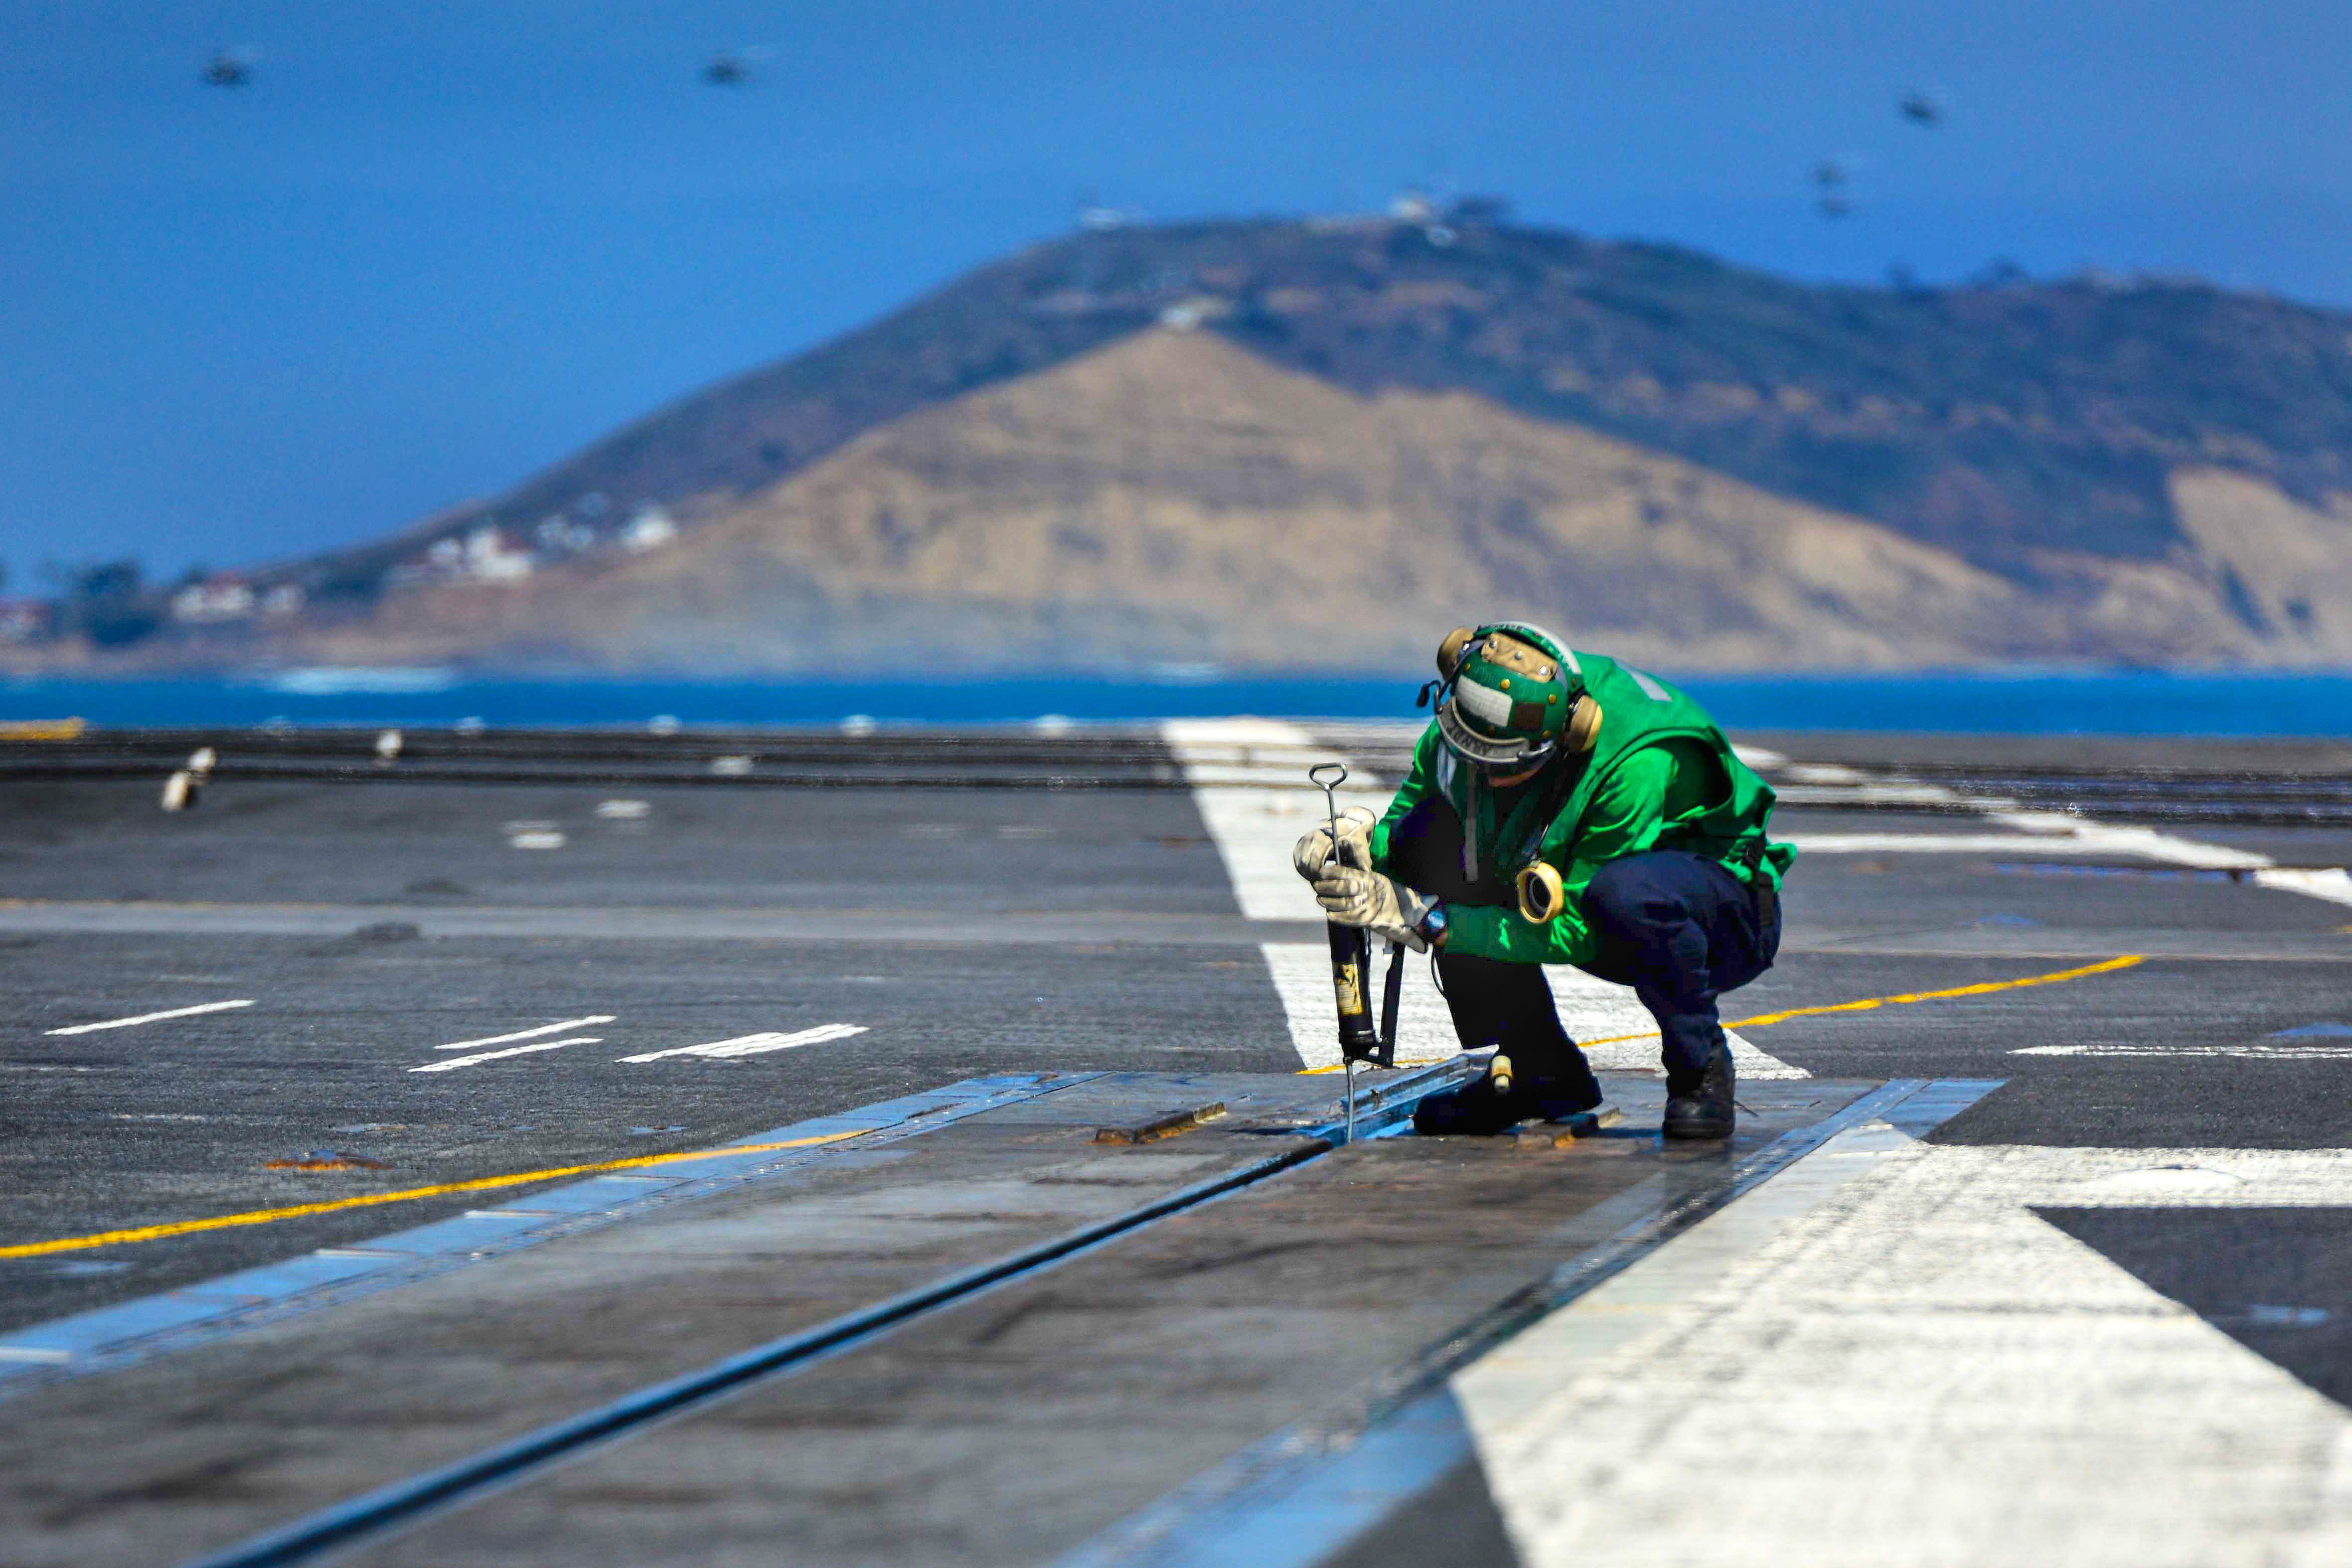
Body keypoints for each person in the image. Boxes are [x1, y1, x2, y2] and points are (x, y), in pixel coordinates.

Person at [1293, 623, 1791, 1139]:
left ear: (1564, 740)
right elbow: (1414, 819)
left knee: (1625, 896)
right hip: (1597, 895)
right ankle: (1537, 1074)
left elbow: (1578, 928)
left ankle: (1700, 1068)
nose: (1483, 776)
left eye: (1502, 766)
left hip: (1719, 922)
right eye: (1472, 757)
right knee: (1431, 840)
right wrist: (1360, 840)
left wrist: (1427, 918)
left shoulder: (1633, 763)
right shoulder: (1471, 713)